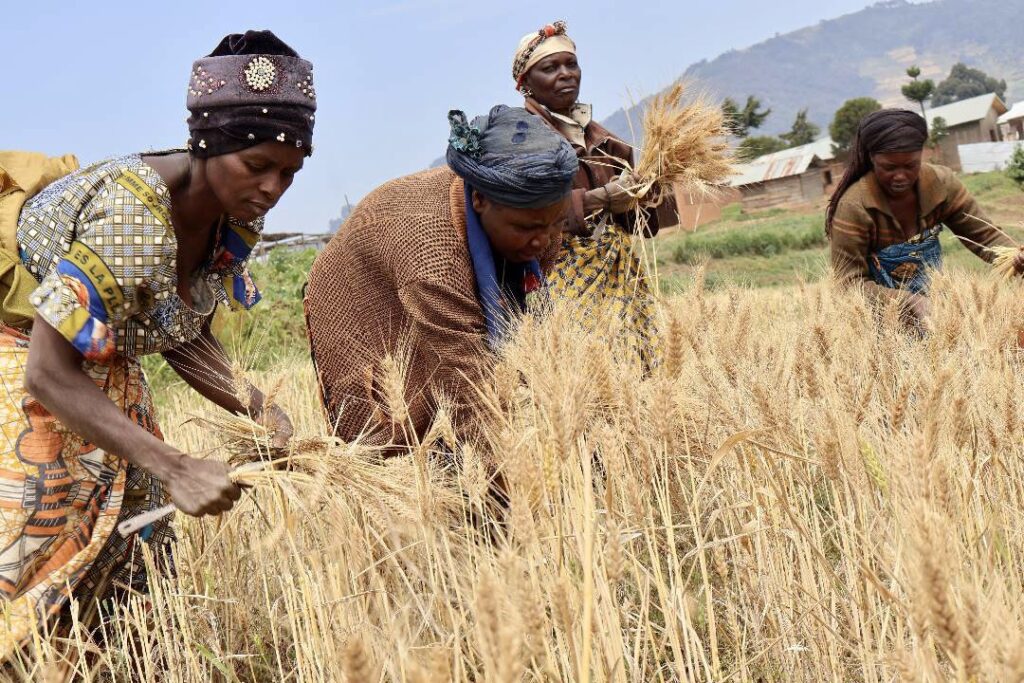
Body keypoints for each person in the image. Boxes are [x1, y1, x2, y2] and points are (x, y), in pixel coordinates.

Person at [0, 29, 312, 653]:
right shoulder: (133, 221)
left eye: (290, 171)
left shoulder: (232, 212)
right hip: (27, 356)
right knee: (42, 523)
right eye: (257, 167)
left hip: (106, 367)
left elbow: (177, 328)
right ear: (205, 144)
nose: (273, 188)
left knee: (137, 546)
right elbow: (47, 371)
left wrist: (261, 410)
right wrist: (174, 465)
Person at [304, 105, 577, 449]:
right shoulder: (432, 257)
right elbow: (465, 382)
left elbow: (519, 324)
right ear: (479, 199)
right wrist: (513, 482)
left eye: (557, 223)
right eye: (528, 228)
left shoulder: (540, 227)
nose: (544, 241)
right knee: (389, 430)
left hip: (429, 272)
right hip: (357, 294)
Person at [513, 20, 668, 362]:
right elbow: (525, 210)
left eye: (571, 64)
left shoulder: (607, 141)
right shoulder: (518, 137)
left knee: (636, 372)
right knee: (577, 372)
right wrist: (603, 198)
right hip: (556, 276)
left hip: (620, 275)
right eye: (550, 68)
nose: (566, 73)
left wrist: (647, 192)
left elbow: (641, 228)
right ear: (525, 84)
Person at [827, 109, 1023, 321]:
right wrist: (908, 301)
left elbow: (984, 236)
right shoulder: (854, 208)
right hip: (877, 320)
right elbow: (849, 284)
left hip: (936, 310)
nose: (900, 176)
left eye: (911, 165)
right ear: (871, 159)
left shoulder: (941, 185)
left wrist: (1014, 256)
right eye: (889, 167)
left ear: (922, 154)